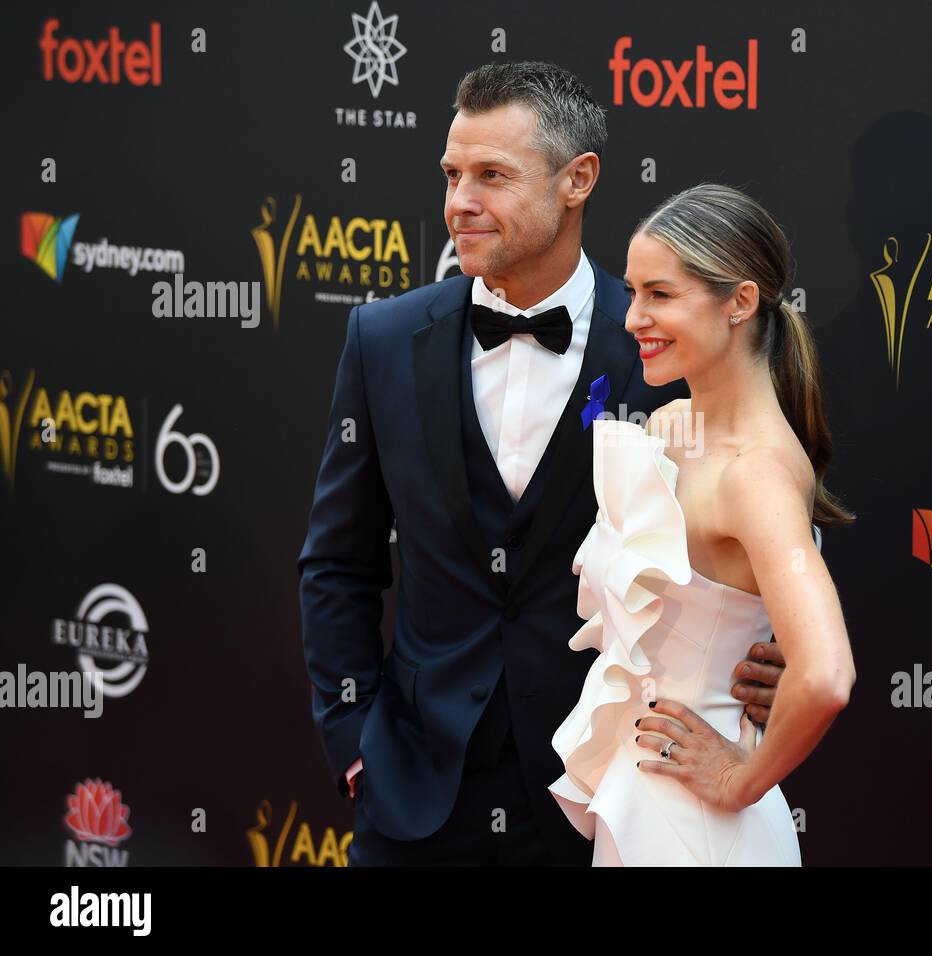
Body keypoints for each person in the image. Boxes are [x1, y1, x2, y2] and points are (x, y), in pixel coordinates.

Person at [297, 62, 788, 866]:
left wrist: (768, 663)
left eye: (492, 175)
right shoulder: (381, 341)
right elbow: (337, 565)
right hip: (414, 792)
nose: (460, 201)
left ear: (577, 180)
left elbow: (764, 543)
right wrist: (356, 744)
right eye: (452, 174)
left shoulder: (663, 354)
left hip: (603, 792)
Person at [548, 183, 858, 865]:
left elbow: (827, 674)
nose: (633, 318)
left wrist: (740, 779)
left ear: (740, 302)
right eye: (632, 293)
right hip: (643, 798)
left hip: (701, 827)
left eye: (659, 294)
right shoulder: (669, 425)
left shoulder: (756, 474)